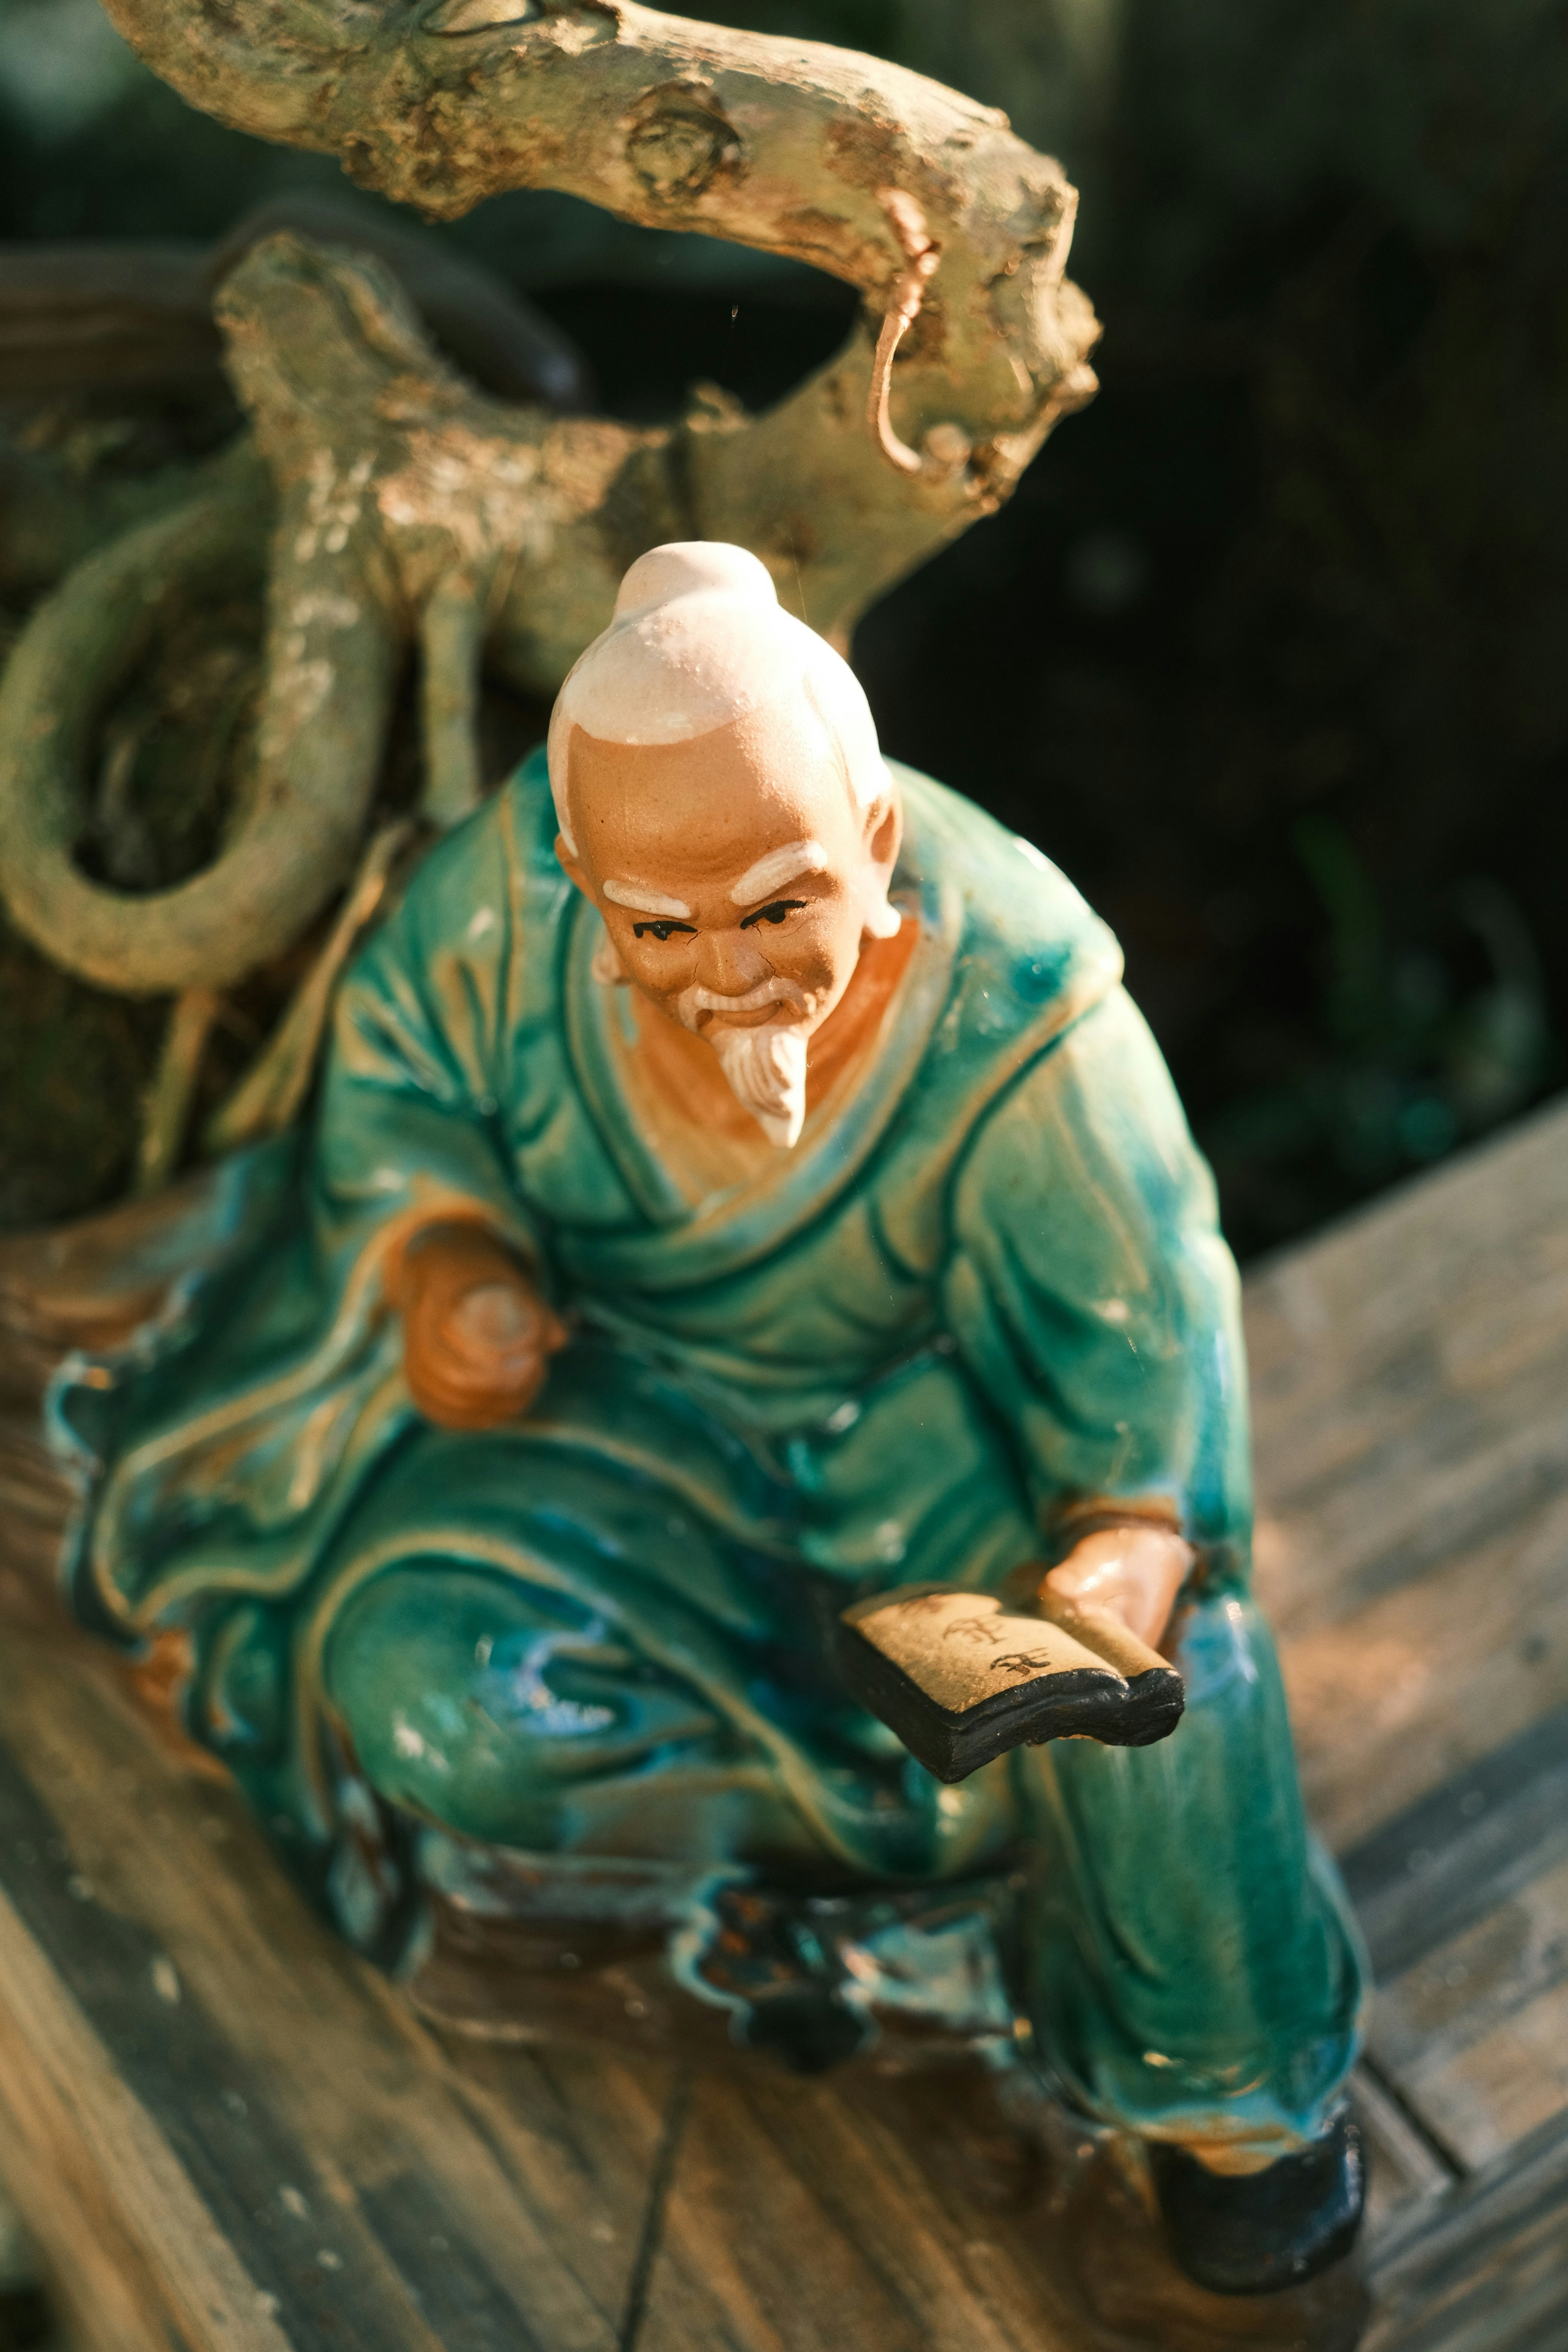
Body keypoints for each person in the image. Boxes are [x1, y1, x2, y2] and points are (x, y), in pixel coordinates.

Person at [65, 542, 1365, 2293]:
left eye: (776, 908)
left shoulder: (1022, 1016)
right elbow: (399, 1111)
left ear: (877, 841)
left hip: (934, 1467)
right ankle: (891, 1928)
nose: (726, 973)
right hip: (627, 1431)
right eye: (656, 929)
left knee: (1176, 1698)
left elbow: (1139, 1373)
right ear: (578, 877)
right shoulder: (497, 914)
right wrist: (451, 1273)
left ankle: (1227, 2120)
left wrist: (1110, 1566)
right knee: (428, 1694)